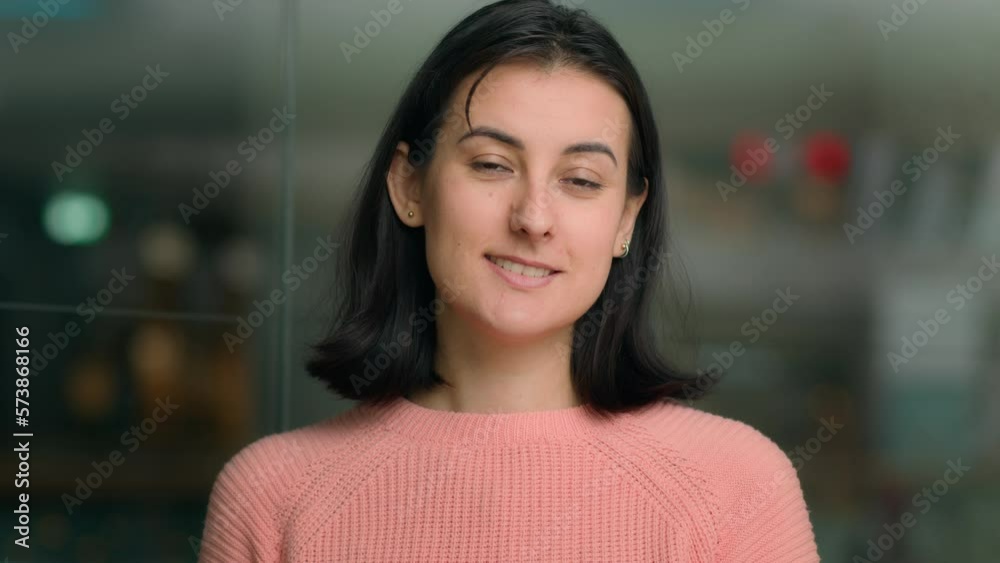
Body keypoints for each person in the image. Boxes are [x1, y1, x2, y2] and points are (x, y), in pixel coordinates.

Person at [199, 0, 821, 560]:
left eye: (580, 180)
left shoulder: (737, 485)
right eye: (493, 165)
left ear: (626, 219)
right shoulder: (273, 496)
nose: (533, 218)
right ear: (409, 185)